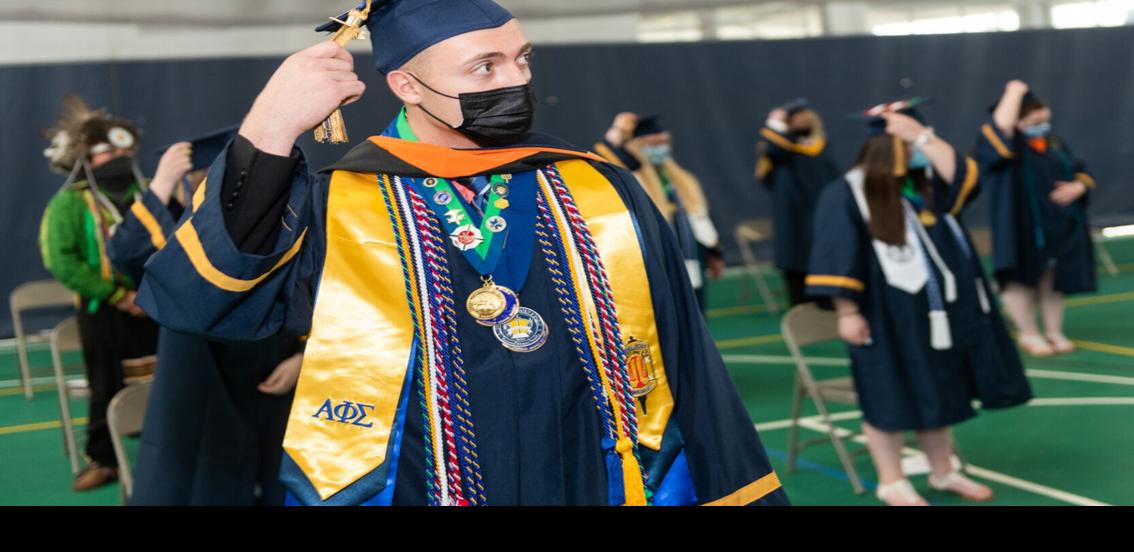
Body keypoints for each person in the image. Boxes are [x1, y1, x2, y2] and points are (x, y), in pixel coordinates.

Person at [137, 0, 785, 506]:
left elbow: (684, 355)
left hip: (592, 471)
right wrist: (270, 127)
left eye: (521, 58)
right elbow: (197, 301)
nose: (517, 79)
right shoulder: (343, 201)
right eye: (484, 67)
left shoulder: (598, 185)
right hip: (417, 480)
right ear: (408, 86)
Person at [806, 98, 1030, 506]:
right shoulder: (848, 192)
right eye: (910, 145)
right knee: (887, 391)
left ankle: (943, 471)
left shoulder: (926, 188)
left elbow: (965, 177)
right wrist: (848, 311)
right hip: (882, 314)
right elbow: (835, 251)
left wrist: (921, 135)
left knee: (940, 387)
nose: (918, 152)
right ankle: (892, 480)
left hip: (935, 313)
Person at [107, 126, 307, 505]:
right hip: (204, 389)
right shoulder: (185, 239)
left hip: (275, 383)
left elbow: (318, 297)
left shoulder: (284, 227)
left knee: (280, 483)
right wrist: (162, 183)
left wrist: (302, 356)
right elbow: (125, 253)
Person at [38, 94, 160, 490]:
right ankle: (104, 458)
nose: (115, 161)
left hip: (157, 305)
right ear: (86, 162)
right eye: (104, 154)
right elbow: (63, 261)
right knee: (106, 385)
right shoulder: (68, 207)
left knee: (165, 379)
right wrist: (117, 296)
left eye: (118, 152)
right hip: (105, 312)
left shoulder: (149, 196)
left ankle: (164, 444)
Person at [975, 80, 1098, 357]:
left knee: (1053, 279)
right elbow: (999, 132)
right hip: (1021, 226)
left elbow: (1079, 169)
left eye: (1041, 111)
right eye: (1030, 114)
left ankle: (1054, 330)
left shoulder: (1053, 143)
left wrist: (1079, 186)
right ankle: (1029, 334)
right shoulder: (1003, 147)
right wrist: (1014, 92)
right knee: (1019, 279)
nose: (1039, 118)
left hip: (1058, 225)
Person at [597, 112, 724, 312]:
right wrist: (618, 131)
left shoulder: (681, 179)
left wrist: (714, 253)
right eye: (652, 144)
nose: (660, 148)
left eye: (663, 142)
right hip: (655, 257)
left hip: (691, 254)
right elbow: (606, 158)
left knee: (696, 311)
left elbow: (701, 218)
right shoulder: (633, 177)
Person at [755, 98, 839, 308]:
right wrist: (775, 122)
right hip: (792, 221)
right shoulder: (781, 154)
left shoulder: (821, 147)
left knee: (822, 262)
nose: (801, 120)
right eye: (795, 117)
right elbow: (773, 150)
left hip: (819, 216)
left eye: (805, 116)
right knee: (796, 265)